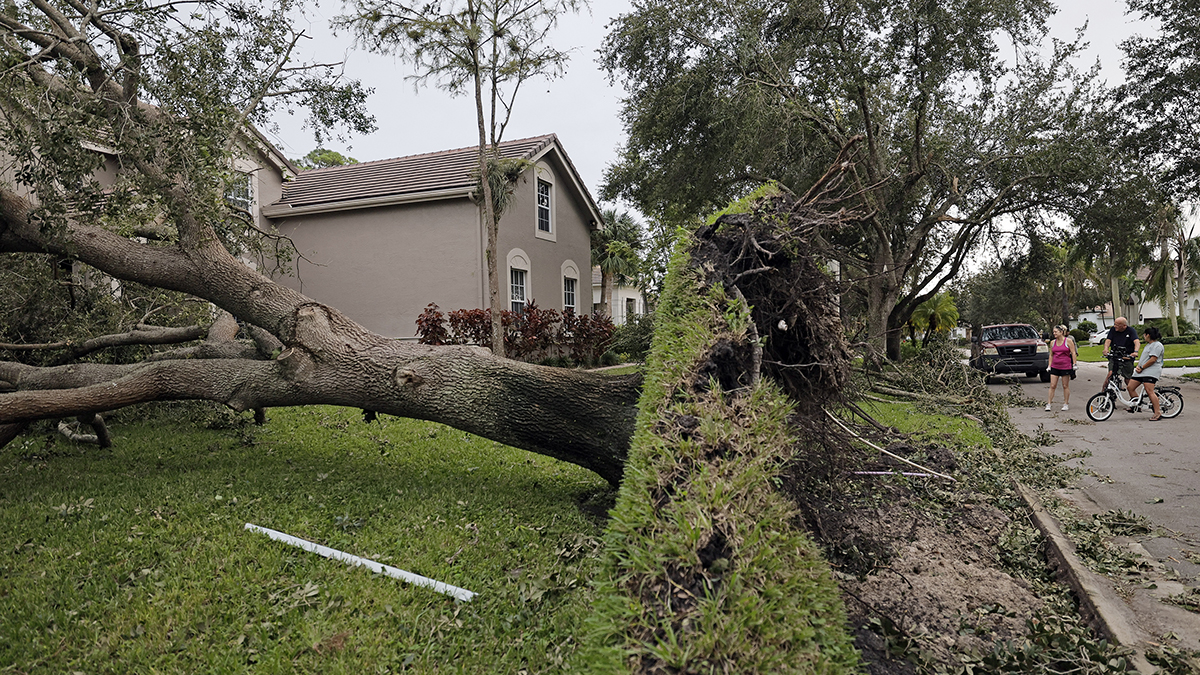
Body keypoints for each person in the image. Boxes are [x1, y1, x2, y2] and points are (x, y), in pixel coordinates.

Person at [1128, 325, 1165, 420]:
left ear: (1148, 335)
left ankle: (1157, 412)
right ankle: (1137, 404)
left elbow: (1153, 359)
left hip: (1151, 371)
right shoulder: (1148, 345)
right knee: (1130, 387)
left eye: (1144, 335)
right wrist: (1139, 366)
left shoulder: (1157, 345)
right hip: (1141, 371)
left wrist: (1142, 367)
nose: (1144, 336)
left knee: (1149, 391)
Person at [1101, 317, 1140, 392]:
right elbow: (1108, 340)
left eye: (1117, 325)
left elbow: (1137, 342)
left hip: (1126, 357)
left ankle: (1134, 398)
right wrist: (1106, 349)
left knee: (1128, 379)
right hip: (1115, 356)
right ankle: (1103, 394)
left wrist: (1135, 352)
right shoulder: (1113, 330)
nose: (1115, 326)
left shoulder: (1131, 331)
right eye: (1114, 324)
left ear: (1124, 326)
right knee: (1110, 375)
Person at [1045, 324, 1078, 411]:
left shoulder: (1068, 341)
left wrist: (1074, 364)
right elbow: (1051, 355)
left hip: (1065, 366)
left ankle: (1066, 403)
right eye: (1053, 332)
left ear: (1061, 332)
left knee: (1065, 385)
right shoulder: (1052, 342)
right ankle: (1048, 404)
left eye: (1056, 332)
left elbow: (1073, 353)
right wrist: (1049, 365)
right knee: (1052, 385)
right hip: (1055, 366)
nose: (1054, 333)